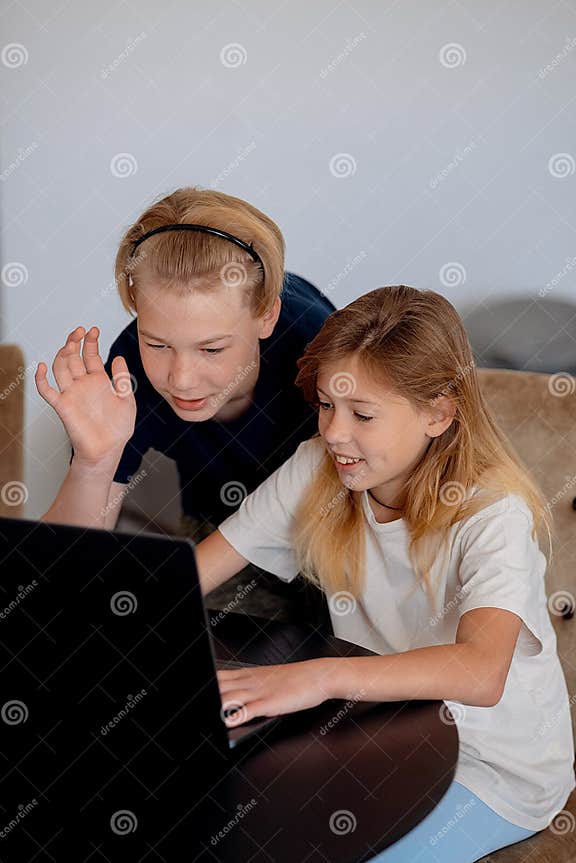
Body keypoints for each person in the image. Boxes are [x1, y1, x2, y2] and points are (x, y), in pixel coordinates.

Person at [39, 284, 575, 860]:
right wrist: (99, 462)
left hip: (489, 765)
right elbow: (180, 583)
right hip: (381, 732)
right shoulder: (317, 467)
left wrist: (316, 678)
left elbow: (480, 673)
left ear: (438, 413)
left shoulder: (492, 514)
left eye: (363, 413)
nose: (335, 432)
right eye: (326, 405)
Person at [36, 187, 335, 621]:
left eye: (211, 349)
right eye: (157, 343)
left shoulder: (319, 349)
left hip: (332, 520)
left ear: (267, 316)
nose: (181, 379)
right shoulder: (128, 373)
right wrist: (93, 463)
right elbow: (62, 565)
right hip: (214, 524)